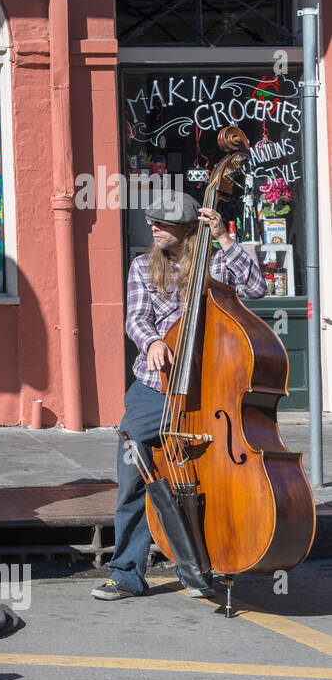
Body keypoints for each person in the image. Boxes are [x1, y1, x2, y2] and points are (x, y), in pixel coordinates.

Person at [94, 191, 265, 601]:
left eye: (163, 224)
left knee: (212, 478)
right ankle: (128, 573)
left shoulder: (214, 262)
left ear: (189, 229)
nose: (154, 228)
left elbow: (257, 289)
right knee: (134, 474)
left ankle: (204, 564)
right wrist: (152, 341)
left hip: (209, 394)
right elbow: (136, 317)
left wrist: (224, 238)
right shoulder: (141, 266)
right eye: (151, 221)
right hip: (155, 389)